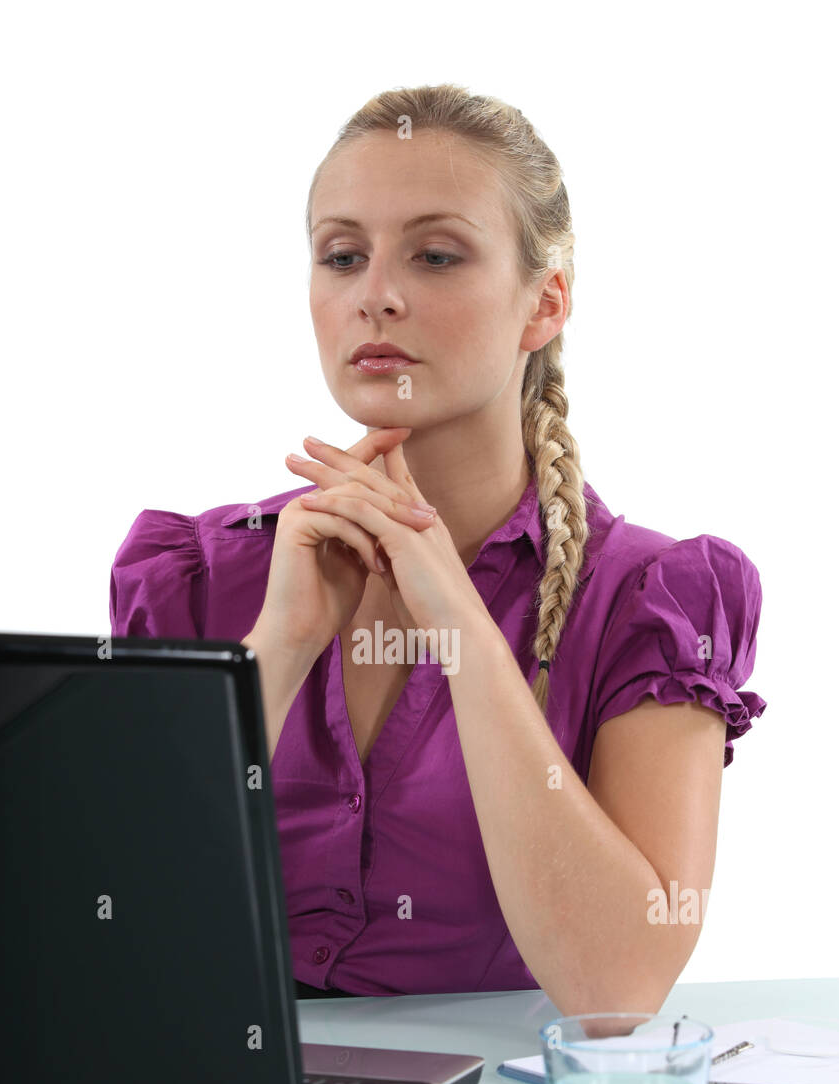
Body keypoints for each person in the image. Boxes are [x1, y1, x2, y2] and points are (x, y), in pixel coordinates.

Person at [110, 83, 766, 1006]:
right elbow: (100, 929)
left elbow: (618, 984)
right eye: (343, 256)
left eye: (435, 255)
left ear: (544, 304)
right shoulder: (201, 577)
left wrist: (458, 619)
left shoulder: (651, 599)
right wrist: (279, 647)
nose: (375, 295)